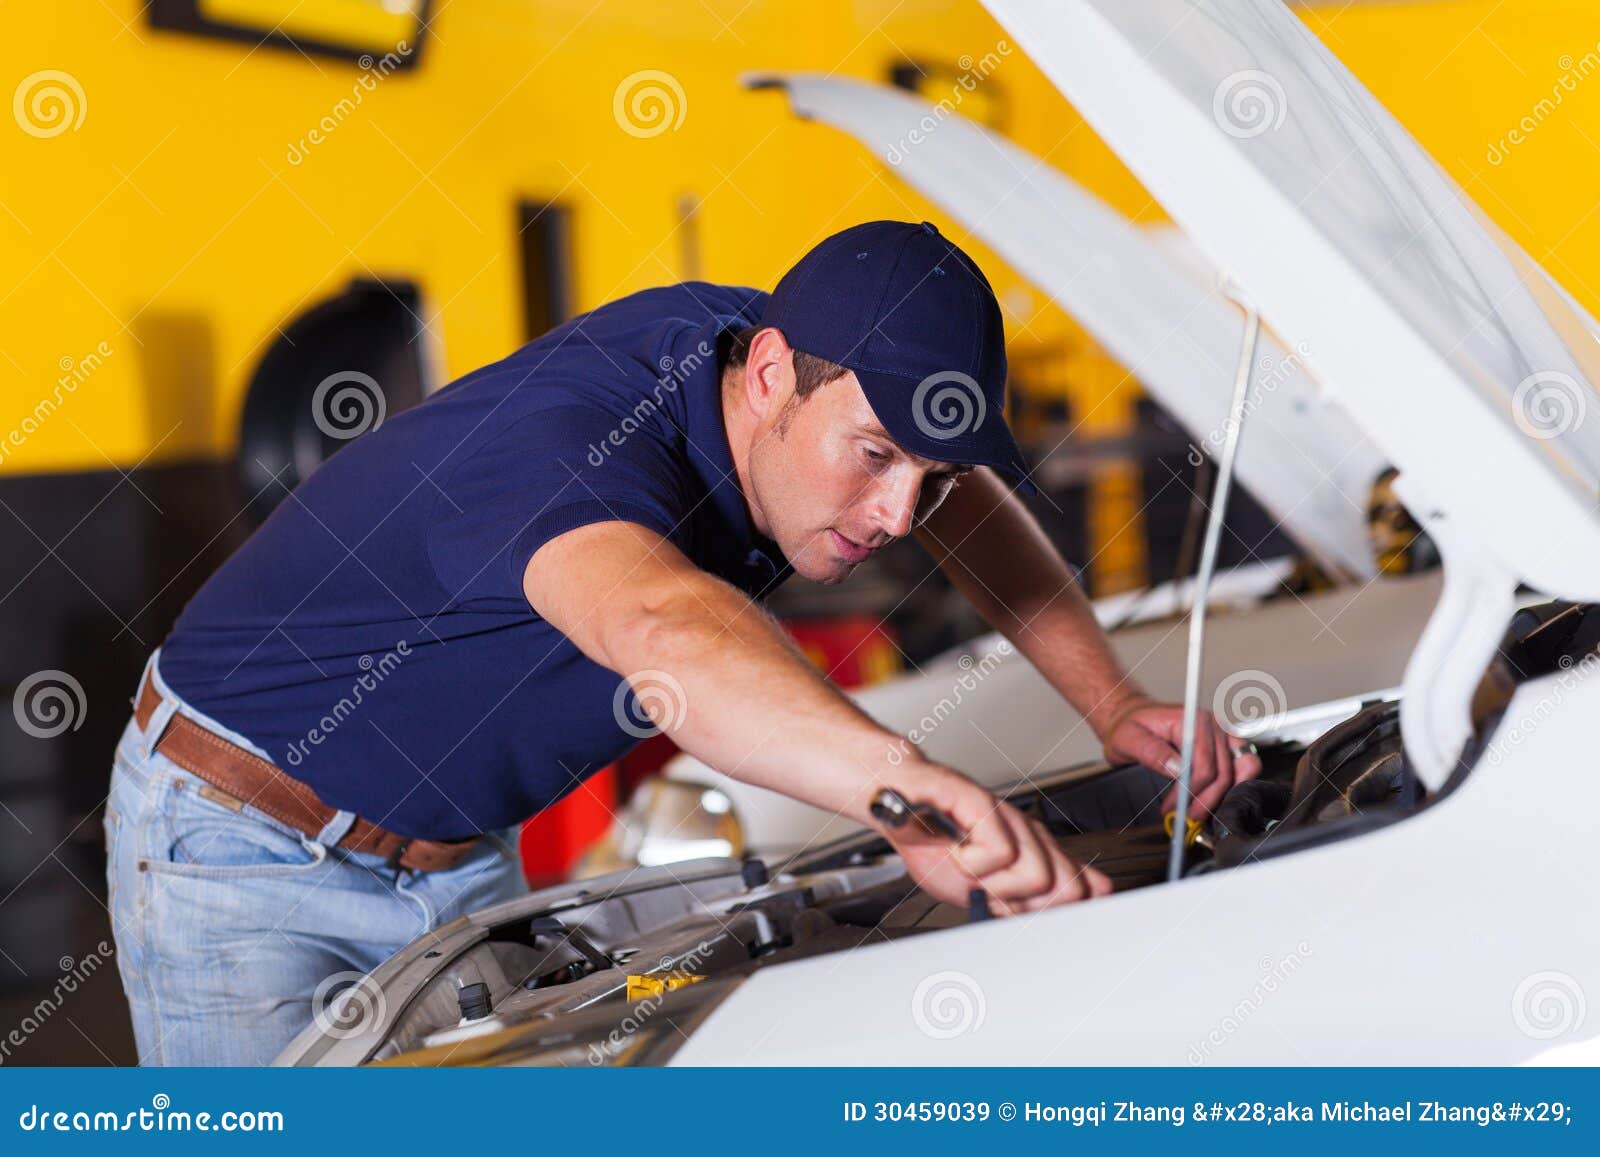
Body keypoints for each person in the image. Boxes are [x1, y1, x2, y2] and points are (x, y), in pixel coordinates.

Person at [105, 220, 1259, 1065]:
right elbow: (667, 628)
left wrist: (1111, 704)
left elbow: (953, 500)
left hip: (455, 851)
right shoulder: (568, 443)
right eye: (872, 457)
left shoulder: (792, 359)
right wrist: (908, 793)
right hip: (244, 846)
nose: (901, 514)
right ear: (769, 378)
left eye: (933, 471)